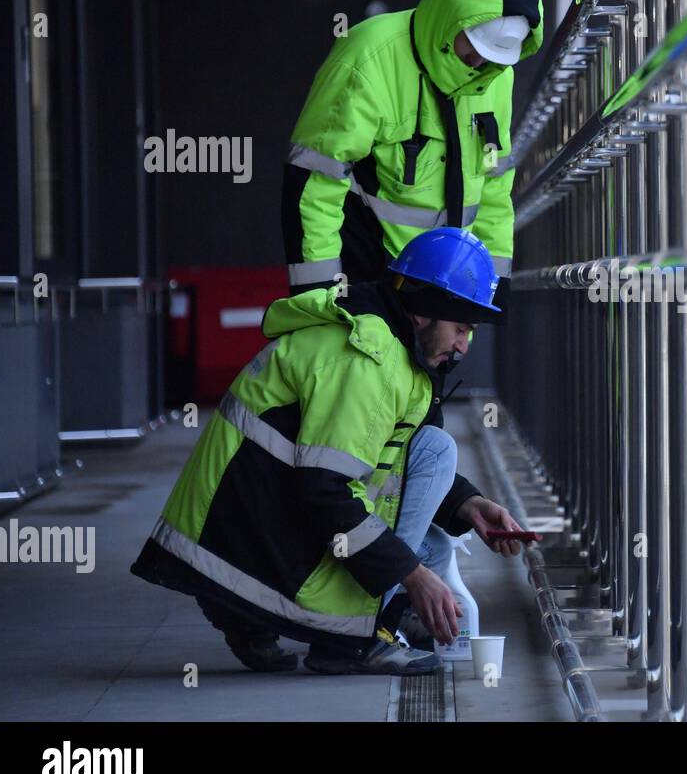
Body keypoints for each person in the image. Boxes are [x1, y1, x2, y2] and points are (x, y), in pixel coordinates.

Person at [131, 228, 529, 675]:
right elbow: (326, 491)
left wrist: (469, 505)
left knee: (433, 528)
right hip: (245, 533)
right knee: (428, 521)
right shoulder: (369, 360)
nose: (463, 346)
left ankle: (245, 610)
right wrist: (410, 577)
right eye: (460, 328)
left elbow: (391, 456)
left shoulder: (387, 342)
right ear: (422, 313)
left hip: (239, 523)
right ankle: (350, 640)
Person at [281, 0, 544, 310]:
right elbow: (315, 183)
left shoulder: (497, 78)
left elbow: (495, 188)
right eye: (476, 47)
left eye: (496, 56)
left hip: (441, 287)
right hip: (363, 277)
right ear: (451, 19)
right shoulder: (369, 57)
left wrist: (487, 291)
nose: (480, 62)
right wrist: (317, 301)